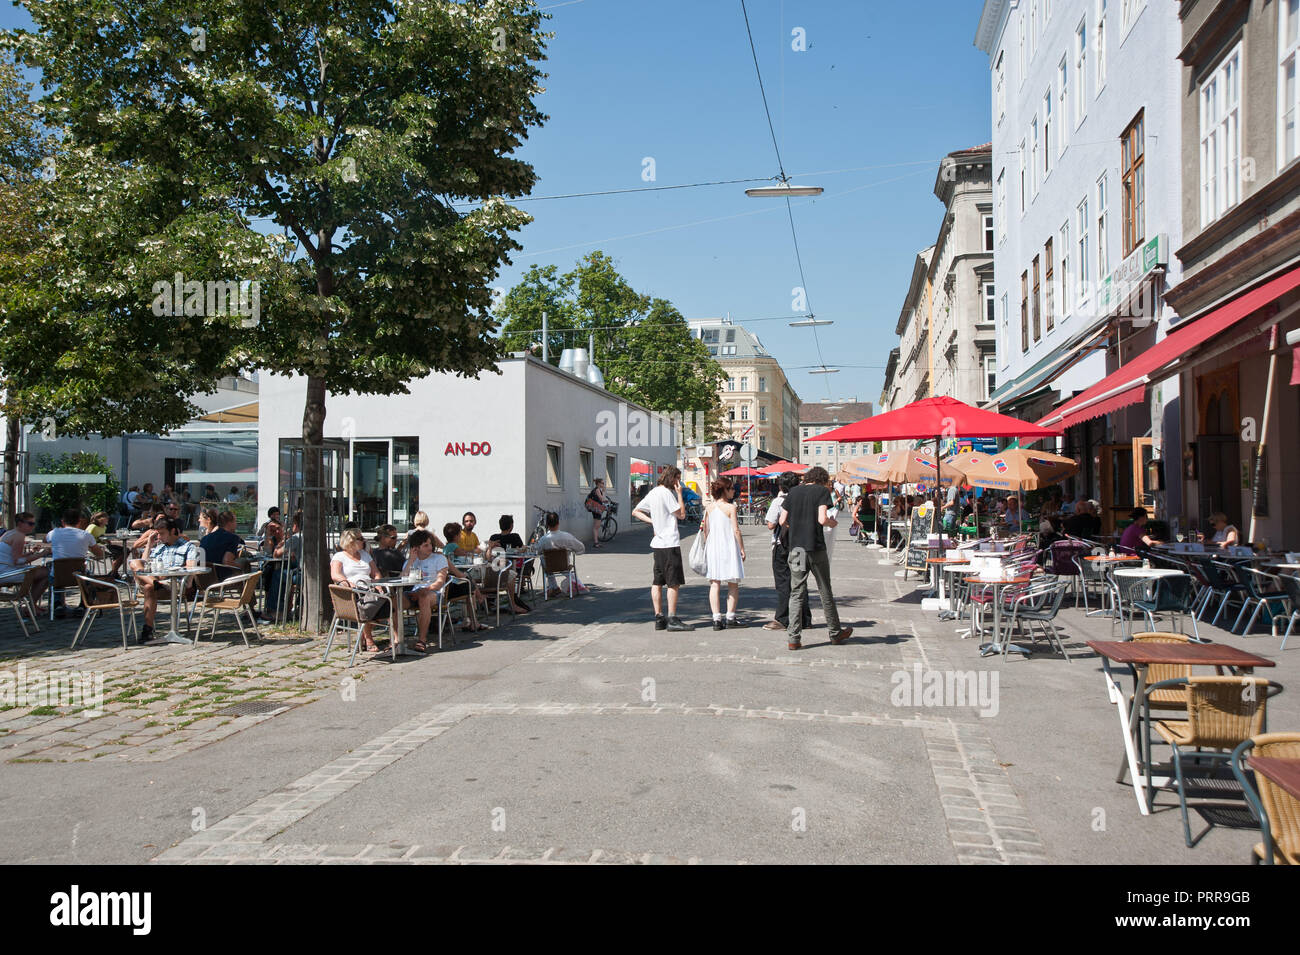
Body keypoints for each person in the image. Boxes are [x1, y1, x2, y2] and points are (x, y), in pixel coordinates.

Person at [779, 466, 853, 651]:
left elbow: (782, 521)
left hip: (796, 549)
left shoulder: (793, 492)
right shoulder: (821, 491)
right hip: (815, 548)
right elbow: (822, 519)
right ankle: (835, 633)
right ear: (822, 480)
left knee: (796, 592)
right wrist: (832, 522)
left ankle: (793, 638)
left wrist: (796, 527)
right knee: (825, 590)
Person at [632, 465, 693, 632]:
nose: (678, 482)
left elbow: (636, 511)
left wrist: (652, 521)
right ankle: (672, 617)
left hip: (657, 543)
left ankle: (659, 617)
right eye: (677, 479)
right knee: (673, 582)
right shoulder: (667, 494)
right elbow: (681, 514)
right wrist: (680, 494)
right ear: (672, 478)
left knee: (657, 581)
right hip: (670, 542)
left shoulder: (653, 493)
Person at [132, 518, 202, 644]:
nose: (159, 536)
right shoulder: (160, 548)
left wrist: (169, 571)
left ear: (172, 531)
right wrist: (149, 544)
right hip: (159, 582)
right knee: (136, 564)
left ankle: (148, 630)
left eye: (162, 533)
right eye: (157, 533)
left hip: (175, 583)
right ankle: (154, 584)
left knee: (149, 587)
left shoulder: (187, 547)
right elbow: (145, 563)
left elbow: (190, 568)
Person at [331, 527, 392, 652]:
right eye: (361, 539)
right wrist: (348, 584)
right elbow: (335, 575)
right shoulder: (340, 556)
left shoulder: (365, 555)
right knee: (377, 604)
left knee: (390, 602)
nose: (364, 541)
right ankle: (368, 638)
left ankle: (365, 636)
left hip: (369, 589)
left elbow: (376, 573)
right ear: (350, 541)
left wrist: (377, 584)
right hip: (352, 592)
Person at [765, 472, 811, 632]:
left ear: (780, 486)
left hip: (782, 546)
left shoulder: (778, 501)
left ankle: (782, 619)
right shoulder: (805, 500)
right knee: (799, 581)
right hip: (800, 544)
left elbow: (771, 524)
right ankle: (805, 618)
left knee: (784, 582)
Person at [701, 477, 745, 630]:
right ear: (724, 490)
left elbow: (706, 529)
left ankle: (716, 619)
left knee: (715, 584)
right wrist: (742, 548)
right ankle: (730, 617)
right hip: (728, 545)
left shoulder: (709, 508)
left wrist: (708, 544)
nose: (734, 491)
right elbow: (736, 530)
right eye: (731, 488)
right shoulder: (730, 507)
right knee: (733, 582)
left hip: (713, 546)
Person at [399, 529, 452, 652]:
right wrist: (411, 560)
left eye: (430, 544)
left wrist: (425, 589)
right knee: (395, 600)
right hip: (415, 592)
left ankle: (422, 640)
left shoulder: (439, 558)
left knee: (424, 597)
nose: (430, 547)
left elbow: (440, 582)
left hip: (434, 593)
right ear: (416, 548)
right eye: (426, 545)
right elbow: (402, 579)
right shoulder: (411, 561)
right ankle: (397, 640)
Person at [0, 512, 51, 607]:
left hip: (4, 570)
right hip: (5, 573)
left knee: (39, 571)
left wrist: (31, 552)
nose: (32, 526)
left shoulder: (9, 533)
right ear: (20, 523)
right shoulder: (19, 536)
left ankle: (31, 604)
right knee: (46, 573)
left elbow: (14, 556)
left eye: (33, 524)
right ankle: (30, 606)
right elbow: (18, 561)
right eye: (30, 524)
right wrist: (42, 554)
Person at [535, 511, 588, 597]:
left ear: (547, 524)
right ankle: (578, 584)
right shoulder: (567, 536)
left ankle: (554, 587)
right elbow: (581, 548)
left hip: (550, 567)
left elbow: (537, 551)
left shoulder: (543, 539)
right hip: (564, 565)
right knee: (566, 567)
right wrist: (573, 551)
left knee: (543, 559)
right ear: (558, 523)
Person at [585, 478, 610, 548]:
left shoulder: (597, 490)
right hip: (596, 509)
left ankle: (596, 542)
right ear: (598, 483)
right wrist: (604, 492)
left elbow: (601, 500)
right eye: (602, 483)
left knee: (596, 526)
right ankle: (596, 542)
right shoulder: (597, 490)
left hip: (596, 509)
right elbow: (602, 499)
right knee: (596, 526)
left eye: (603, 483)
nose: (603, 484)